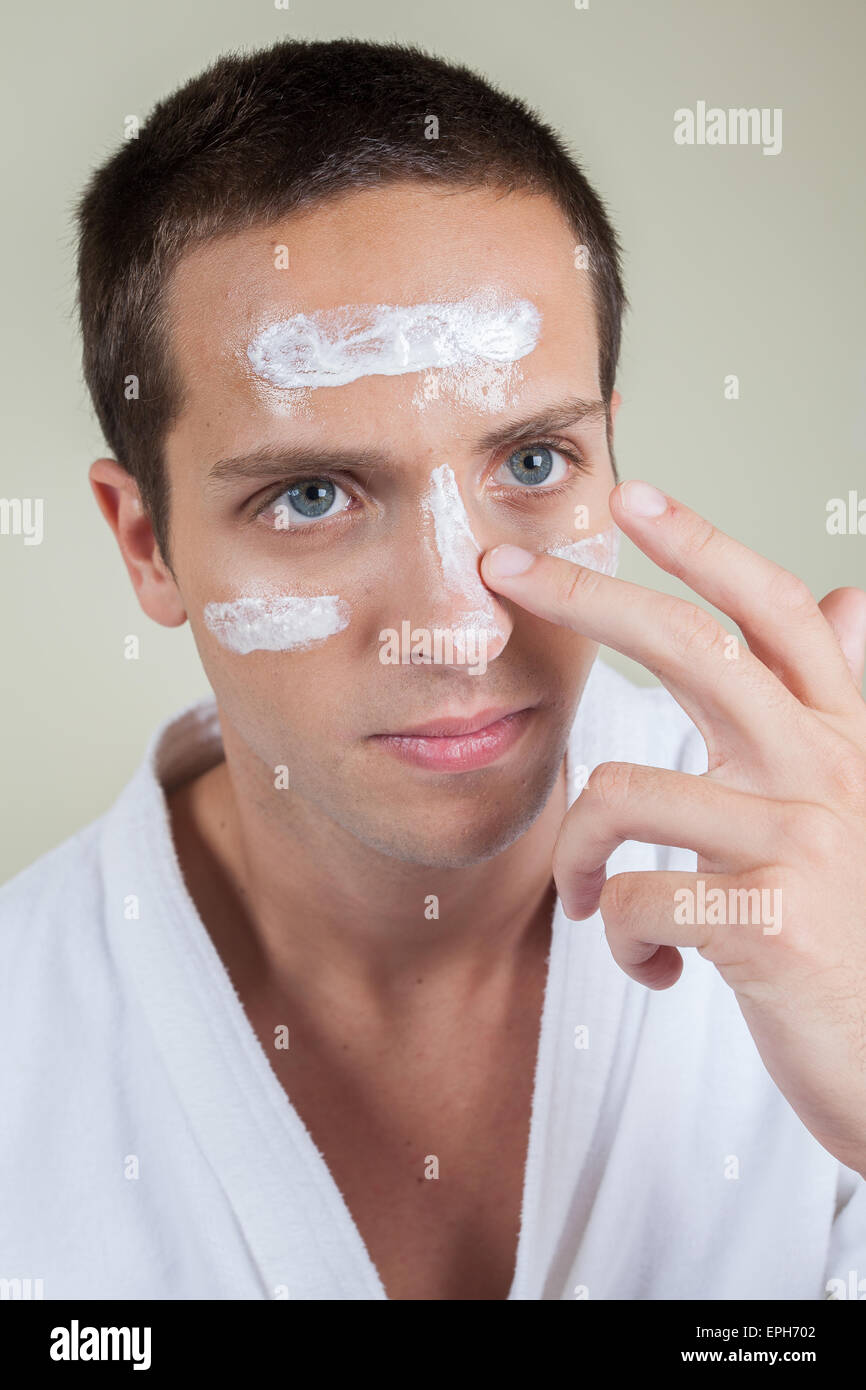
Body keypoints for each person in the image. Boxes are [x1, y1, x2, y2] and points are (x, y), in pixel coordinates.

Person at [2, 36, 866, 1302]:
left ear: (608, 452)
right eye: (312, 494)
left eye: (530, 463)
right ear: (148, 543)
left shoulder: (837, 880)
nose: (460, 632)